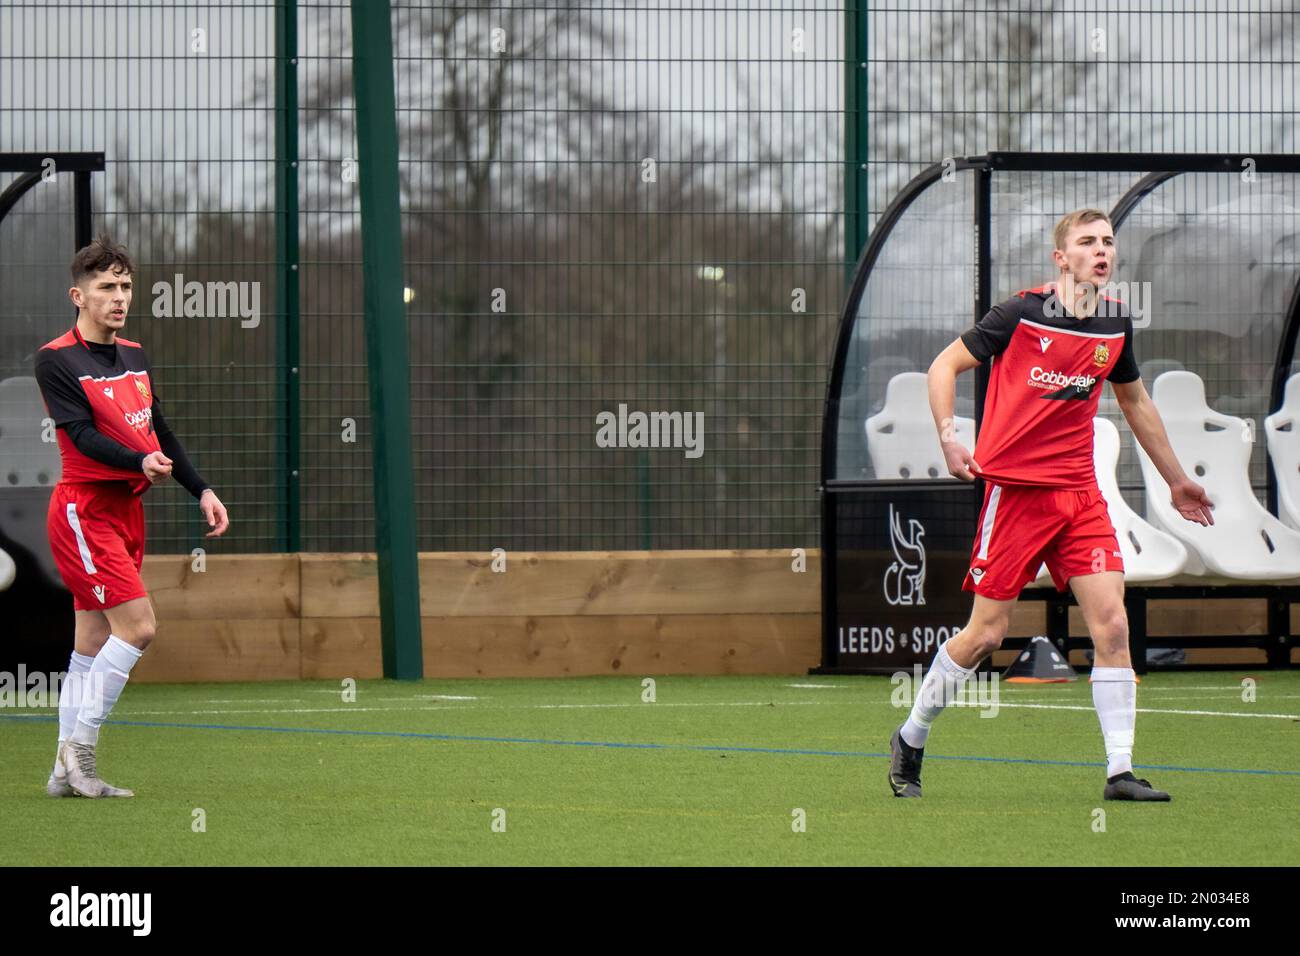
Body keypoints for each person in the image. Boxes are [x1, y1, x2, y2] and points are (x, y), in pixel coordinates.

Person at [889, 208, 1214, 802]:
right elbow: (943, 366)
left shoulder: (1116, 324)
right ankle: (911, 736)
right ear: (1060, 259)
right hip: (1014, 493)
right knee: (986, 634)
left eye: (1108, 242)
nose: (1101, 251)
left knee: (1113, 622)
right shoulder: (1020, 313)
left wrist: (1175, 480)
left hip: (1080, 495)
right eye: (1087, 242)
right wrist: (949, 437)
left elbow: (1137, 403)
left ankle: (1120, 771)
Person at [35, 234, 230, 798]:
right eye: (106, 287)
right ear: (79, 295)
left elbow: (158, 431)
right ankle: (81, 757)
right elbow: (81, 437)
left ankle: (59, 774)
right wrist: (140, 460)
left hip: (126, 513)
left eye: (125, 286)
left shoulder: (135, 355)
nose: (119, 297)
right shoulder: (55, 360)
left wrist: (201, 489)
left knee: (93, 639)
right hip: (83, 511)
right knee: (140, 627)